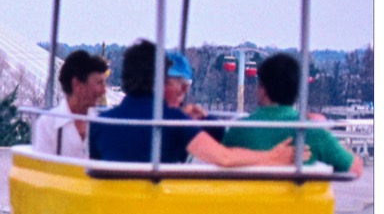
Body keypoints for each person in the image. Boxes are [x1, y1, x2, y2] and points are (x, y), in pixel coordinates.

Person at [90, 40, 295, 167]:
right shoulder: (172, 122)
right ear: (159, 79)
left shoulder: (100, 123)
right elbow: (224, 157)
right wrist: (272, 157)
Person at [223, 52, 363, 178]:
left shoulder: (238, 130)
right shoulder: (311, 132)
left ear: (262, 89)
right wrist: (325, 134)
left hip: (249, 204)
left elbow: (222, 161)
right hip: (298, 205)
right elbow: (355, 168)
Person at [31, 49, 110, 158]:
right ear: (77, 84)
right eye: (99, 83)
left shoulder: (102, 124)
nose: (103, 91)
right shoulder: (47, 125)